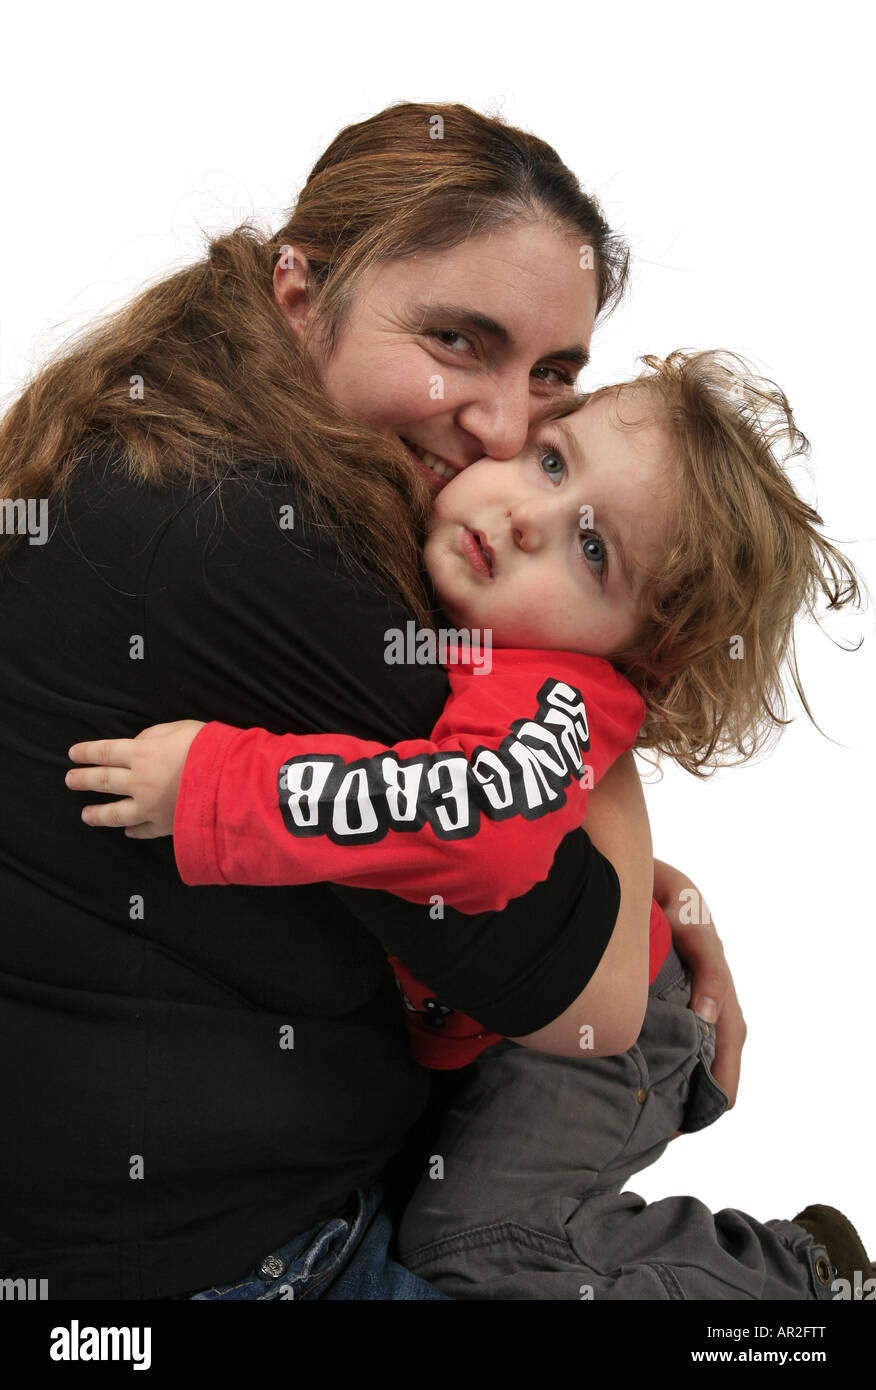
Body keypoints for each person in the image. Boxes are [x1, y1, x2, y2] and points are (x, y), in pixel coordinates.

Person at [0, 100, 742, 1301]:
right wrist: (604, 703)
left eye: (552, 376)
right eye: (458, 340)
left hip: (201, 1221)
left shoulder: (191, 431)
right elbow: (589, 1000)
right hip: (233, 1265)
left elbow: (454, 802)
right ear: (302, 291)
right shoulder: (260, 543)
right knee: (512, 1257)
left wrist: (598, 766)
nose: (505, 426)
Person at [66, 350, 870, 1298]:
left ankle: (796, 1285)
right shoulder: (434, 582)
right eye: (553, 462)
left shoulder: (555, 689)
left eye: (594, 550)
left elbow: (470, 827)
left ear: (639, 655)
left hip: (589, 1054)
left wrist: (218, 789)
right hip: (485, 1033)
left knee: (480, 1247)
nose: (527, 518)